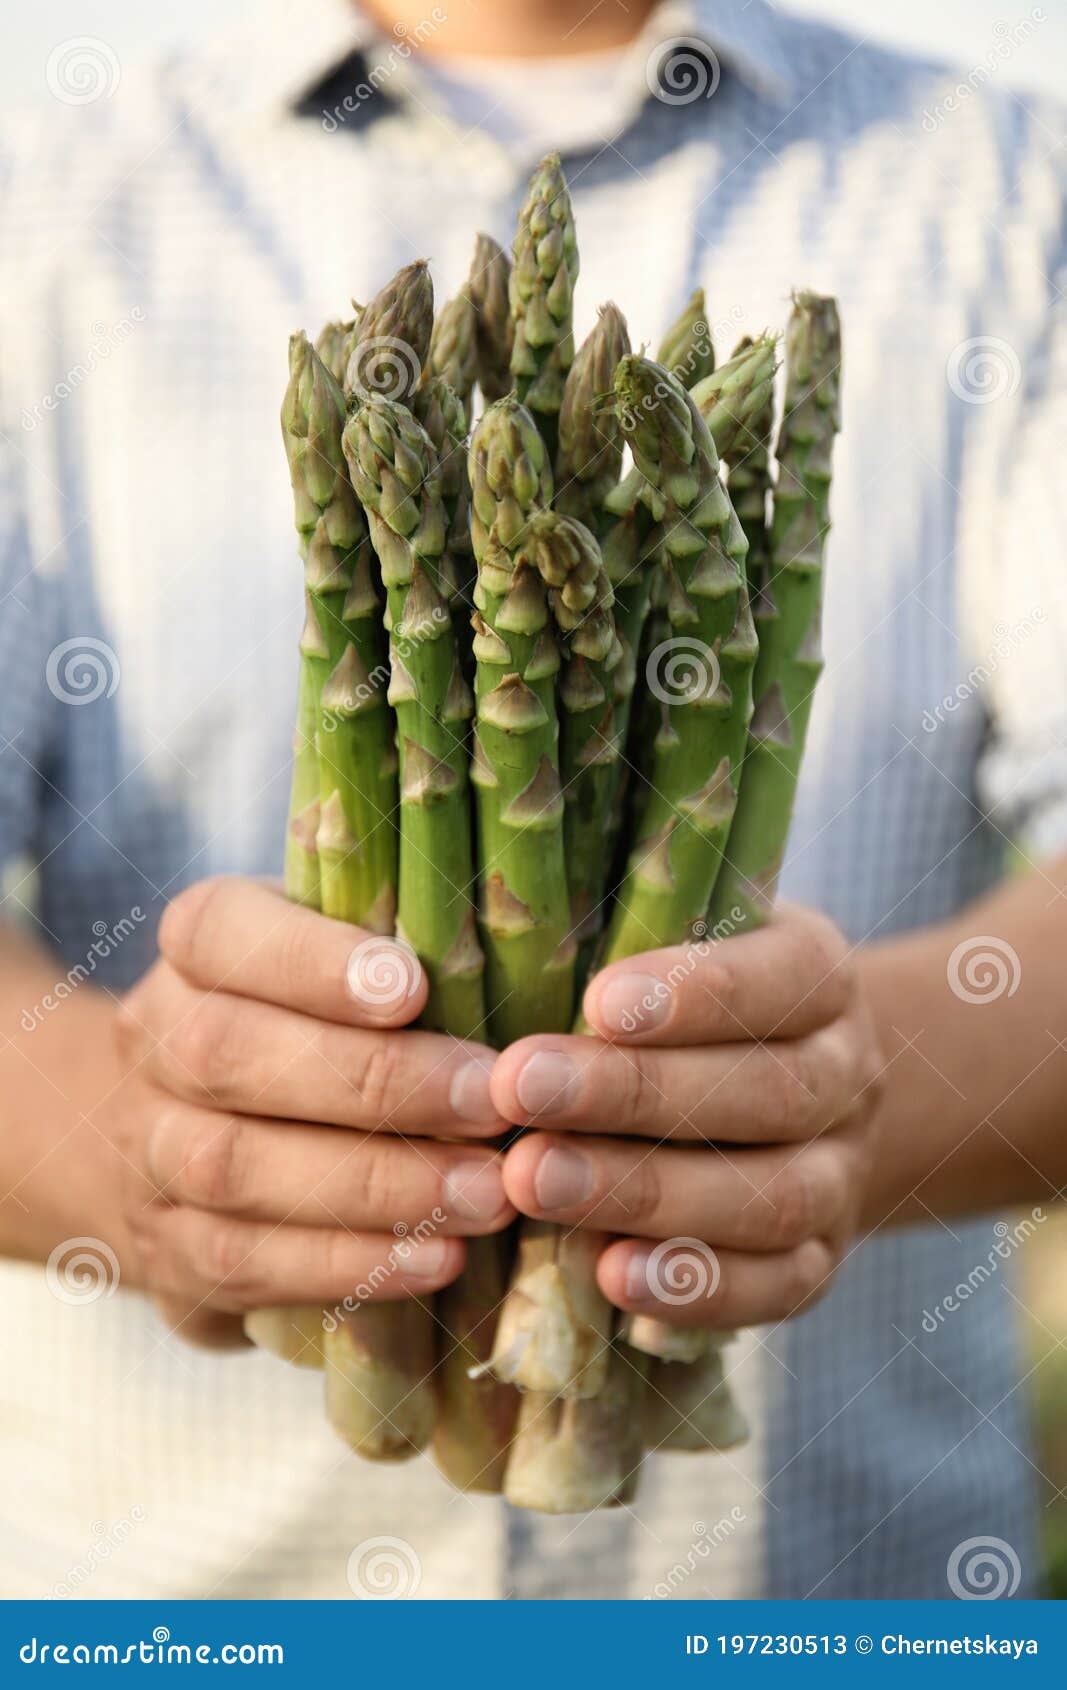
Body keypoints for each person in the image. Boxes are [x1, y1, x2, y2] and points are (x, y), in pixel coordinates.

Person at [0, 0, 1063, 1601]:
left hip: (836, 1599)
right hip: (192, 1601)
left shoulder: (1012, 191)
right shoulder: (45, 201)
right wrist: (138, 1151)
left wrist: (841, 1109)